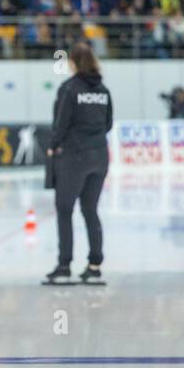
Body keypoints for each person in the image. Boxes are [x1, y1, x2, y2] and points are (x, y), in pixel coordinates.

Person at [45, 43, 114, 283]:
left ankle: (64, 266)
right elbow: (108, 124)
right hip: (100, 157)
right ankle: (94, 265)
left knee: (65, 210)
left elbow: (61, 123)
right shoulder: (103, 90)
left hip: (74, 158)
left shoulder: (69, 89)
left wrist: (52, 145)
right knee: (90, 210)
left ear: (73, 63)